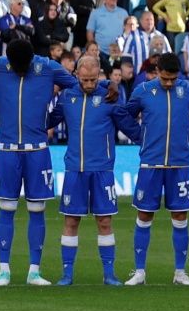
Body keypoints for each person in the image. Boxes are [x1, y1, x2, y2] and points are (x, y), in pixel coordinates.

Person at [0, 30, 80, 285]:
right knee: (7, 208)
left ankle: (34, 270)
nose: (20, 70)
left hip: (38, 150)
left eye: (24, 67)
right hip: (8, 150)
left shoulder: (47, 67)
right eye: (16, 67)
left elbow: (77, 86)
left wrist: (55, 115)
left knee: (37, 209)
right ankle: (4, 270)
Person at [118, 51, 189, 285]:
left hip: (180, 163)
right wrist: (141, 137)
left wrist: (186, 129)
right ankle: (139, 272)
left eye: (173, 79)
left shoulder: (187, 90)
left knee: (180, 216)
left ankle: (180, 272)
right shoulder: (143, 91)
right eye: (165, 78)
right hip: (150, 164)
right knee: (144, 215)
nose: (168, 83)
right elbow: (125, 117)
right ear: (156, 72)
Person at [51, 54, 131, 286]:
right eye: (85, 80)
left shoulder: (109, 97)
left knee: (105, 221)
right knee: (71, 221)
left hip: (102, 169)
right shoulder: (67, 97)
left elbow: (128, 125)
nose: (88, 85)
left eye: (93, 80)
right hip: (74, 169)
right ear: (76, 75)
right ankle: (67, 274)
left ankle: (109, 274)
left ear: (100, 77)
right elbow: (49, 121)